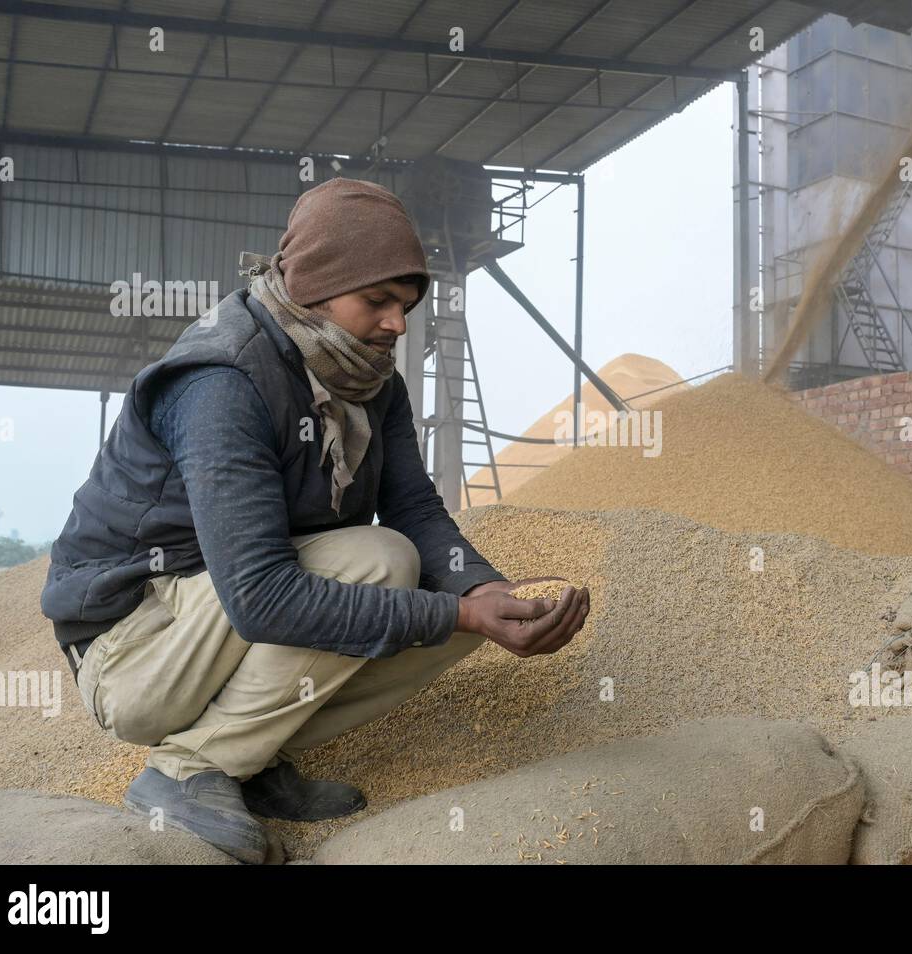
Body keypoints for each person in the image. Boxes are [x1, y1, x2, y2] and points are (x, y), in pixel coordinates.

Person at [41, 178, 590, 863]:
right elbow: (263, 598)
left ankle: (245, 758)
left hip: (212, 621)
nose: (397, 324)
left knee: (456, 600)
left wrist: (482, 595)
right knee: (383, 564)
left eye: (408, 305)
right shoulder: (222, 382)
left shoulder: (367, 377)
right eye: (378, 302)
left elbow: (415, 504)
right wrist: (453, 615)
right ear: (314, 286)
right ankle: (182, 772)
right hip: (133, 651)